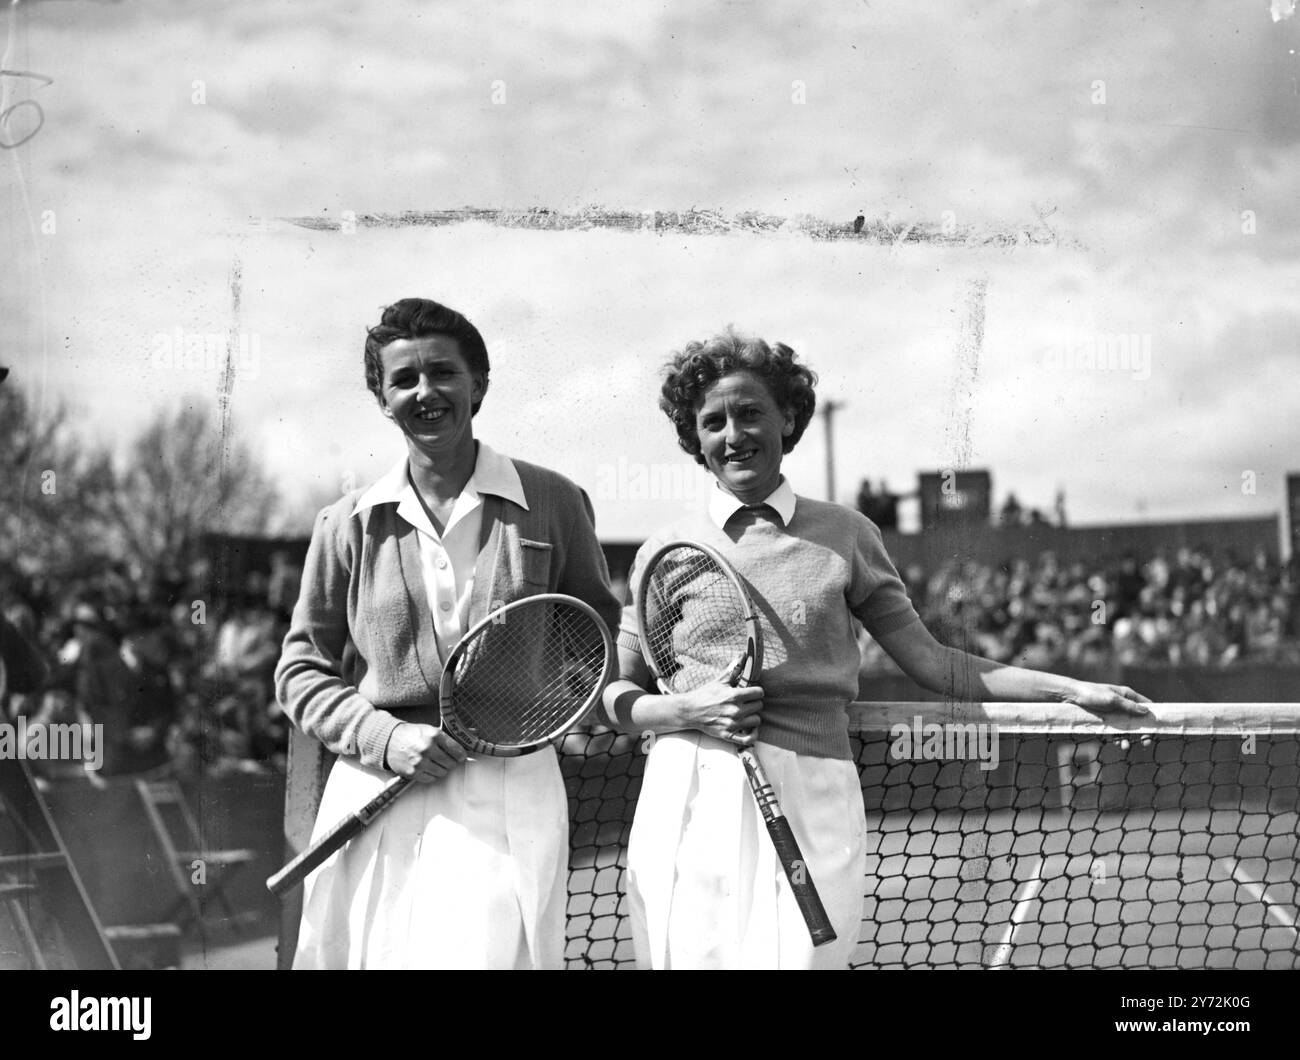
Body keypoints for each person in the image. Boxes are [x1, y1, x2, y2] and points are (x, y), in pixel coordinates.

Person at [600, 329, 1150, 970]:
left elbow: (935, 662)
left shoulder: (848, 533)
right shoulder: (664, 549)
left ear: (788, 418)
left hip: (814, 787)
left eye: (751, 413)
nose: (733, 434)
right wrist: (685, 713)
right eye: (713, 421)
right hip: (687, 789)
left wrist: (1072, 689)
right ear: (694, 438)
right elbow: (616, 693)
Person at [275, 297, 620, 969]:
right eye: (403, 380)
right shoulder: (345, 523)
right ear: (382, 399)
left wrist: (572, 705)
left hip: (511, 787)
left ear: (478, 385)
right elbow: (301, 669)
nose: (425, 392)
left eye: (443, 372)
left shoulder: (554, 500)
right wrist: (387, 737)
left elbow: (596, 632)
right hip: (377, 786)